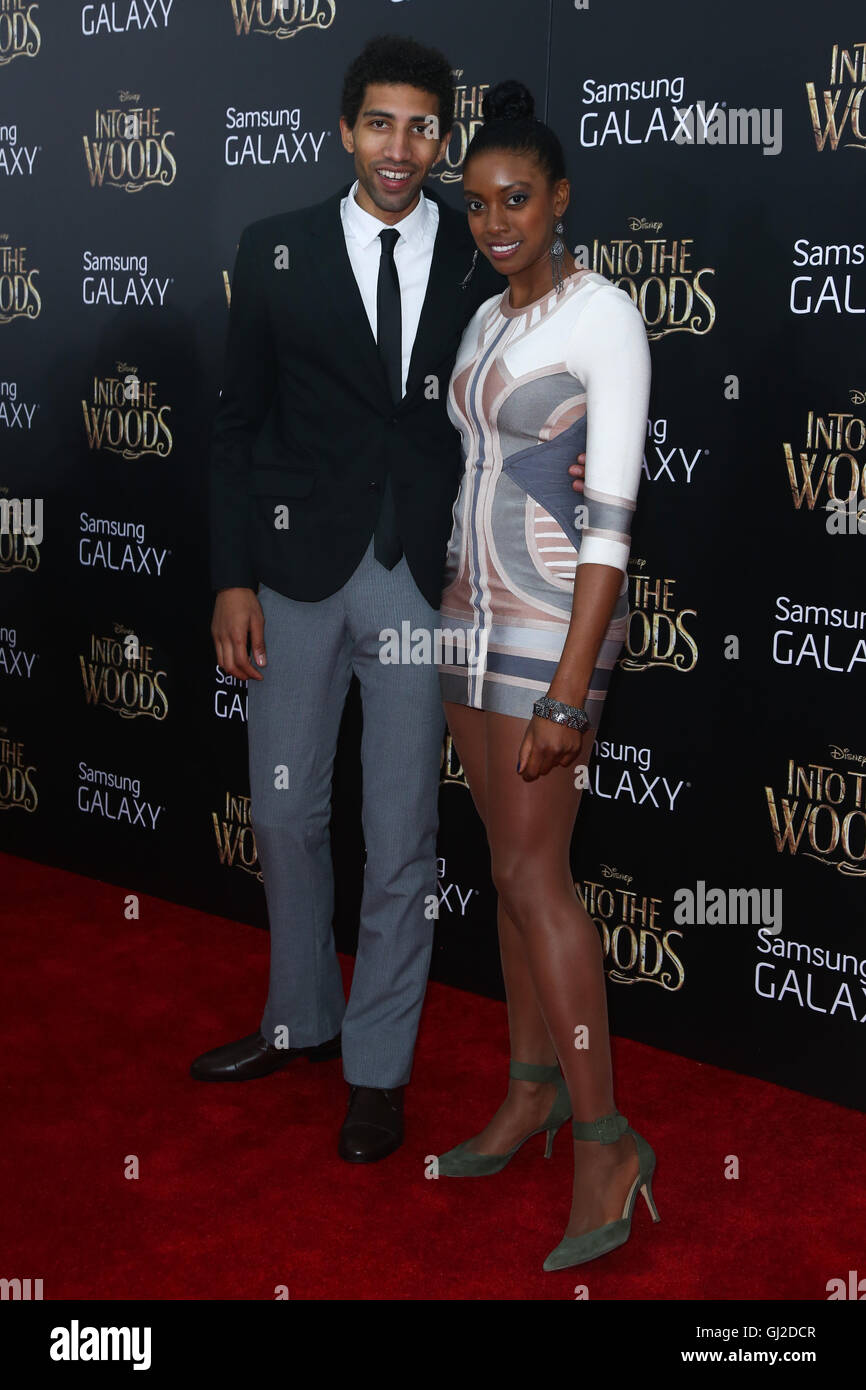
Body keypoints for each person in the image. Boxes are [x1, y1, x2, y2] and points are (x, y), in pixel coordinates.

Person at [194, 37, 587, 1163]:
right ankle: (299, 1017)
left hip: (425, 583)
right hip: (294, 571)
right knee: (283, 812)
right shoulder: (274, 252)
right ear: (343, 129)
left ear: (442, 140)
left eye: (422, 127)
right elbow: (232, 429)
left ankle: (377, 1067)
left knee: (401, 838)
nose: (400, 148)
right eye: (380, 123)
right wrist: (230, 576)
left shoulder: (482, 257)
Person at [434, 80, 657, 1271]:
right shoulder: (482, 325)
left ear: (559, 198)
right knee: (504, 873)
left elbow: (611, 523)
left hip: (549, 632)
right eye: (474, 205)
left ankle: (604, 1139)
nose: (494, 222)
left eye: (514, 199)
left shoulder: (603, 317)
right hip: (463, 624)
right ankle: (527, 1092)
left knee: (537, 875)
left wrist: (572, 688)